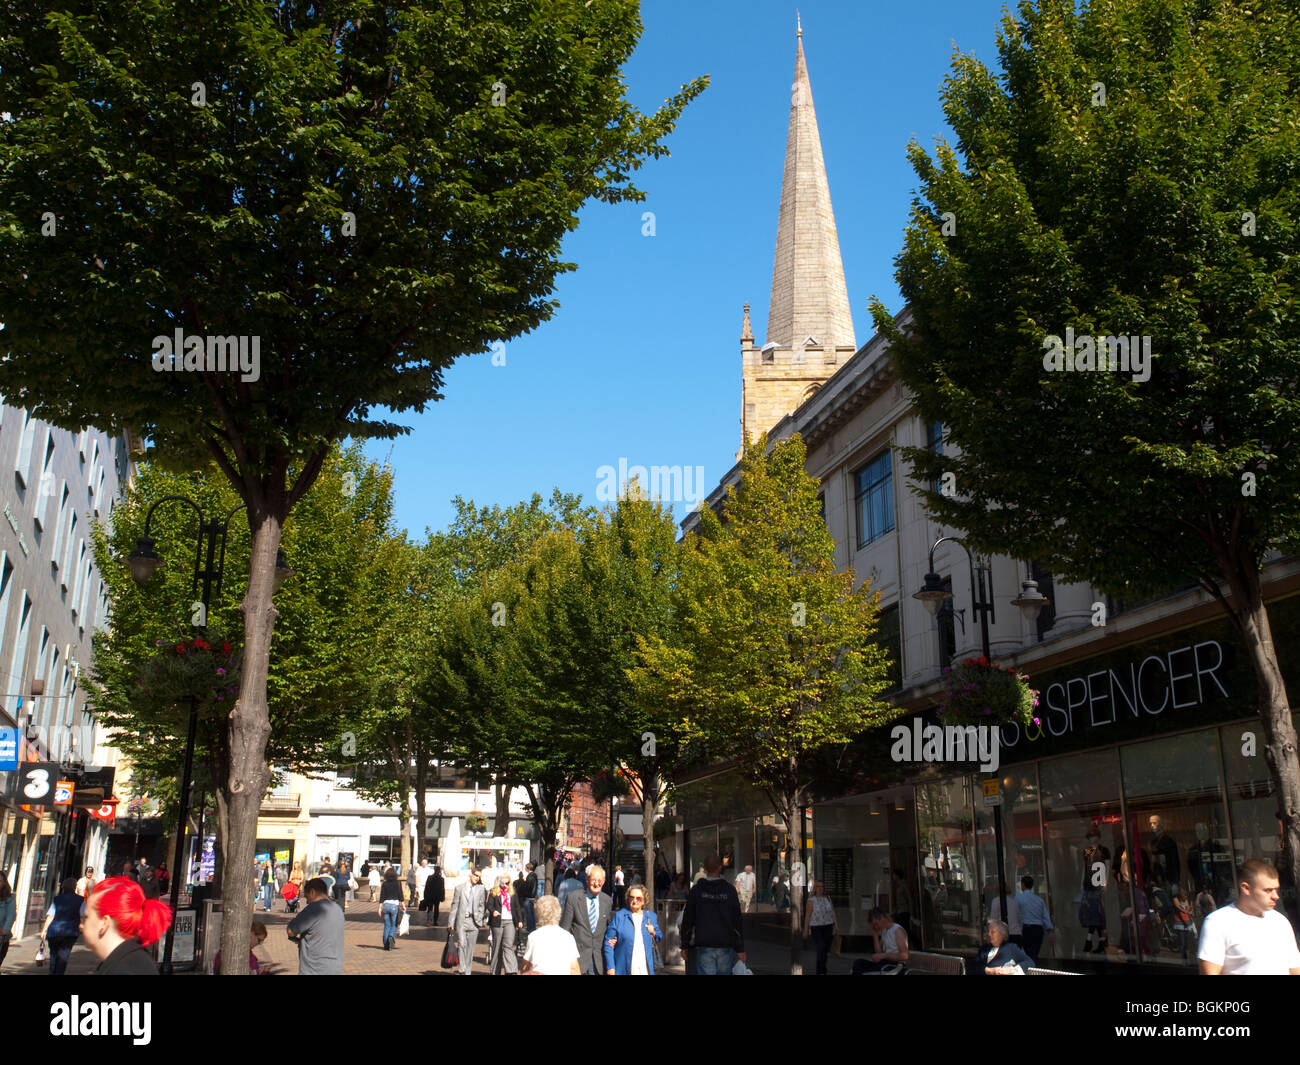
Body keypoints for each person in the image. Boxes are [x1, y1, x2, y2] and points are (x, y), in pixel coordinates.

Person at [1198, 858, 1300, 975]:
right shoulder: (1218, 922)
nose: (1276, 896)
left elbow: (1295, 969)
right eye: (1268, 890)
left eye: (1276, 889)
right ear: (1246, 888)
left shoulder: (1280, 922)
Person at [82, 876, 171, 974]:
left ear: (104, 923)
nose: (81, 925)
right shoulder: (127, 960)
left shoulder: (125, 969)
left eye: (86, 917)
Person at [680, 854, 745, 975]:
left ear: (704, 868)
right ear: (720, 867)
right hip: (725, 944)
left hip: (705, 943)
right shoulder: (730, 890)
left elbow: (688, 919)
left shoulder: (697, 890)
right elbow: (737, 921)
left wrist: (684, 944)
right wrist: (740, 948)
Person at [560, 863, 613, 975]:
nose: (597, 883)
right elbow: (565, 930)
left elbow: (609, 928)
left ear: (604, 881)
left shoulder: (607, 901)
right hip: (578, 959)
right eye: (593, 879)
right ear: (587, 880)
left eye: (600, 880)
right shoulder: (573, 898)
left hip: (599, 960)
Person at [287, 878, 345, 974]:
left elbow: (291, 931)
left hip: (313, 969)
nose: (307, 902)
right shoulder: (337, 909)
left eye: (307, 897)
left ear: (312, 892)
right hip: (334, 968)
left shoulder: (314, 909)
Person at [605, 883, 662, 975]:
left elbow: (659, 936)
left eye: (638, 898)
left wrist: (653, 932)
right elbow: (608, 942)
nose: (635, 901)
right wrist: (610, 967)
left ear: (644, 901)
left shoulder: (651, 917)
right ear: (628, 899)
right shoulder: (620, 915)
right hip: (624, 967)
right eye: (632, 897)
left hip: (644, 967)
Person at [521, 895, 581, 974]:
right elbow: (575, 969)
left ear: (538, 913)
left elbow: (525, 967)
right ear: (559, 912)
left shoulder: (534, 936)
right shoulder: (568, 937)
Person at [39, 877, 85, 976]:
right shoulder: (80, 900)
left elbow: (51, 916)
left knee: (53, 956)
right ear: (75, 887)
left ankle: (52, 972)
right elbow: (83, 915)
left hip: (54, 931)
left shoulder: (57, 899)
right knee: (63, 957)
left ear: (63, 887)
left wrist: (44, 930)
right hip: (70, 932)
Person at [448, 866, 487, 975]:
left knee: (471, 948)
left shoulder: (481, 889)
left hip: (474, 921)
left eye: (479, 876)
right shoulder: (460, 888)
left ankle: (467, 971)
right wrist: (451, 922)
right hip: (462, 920)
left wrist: (479, 918)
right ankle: (462, 968)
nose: (477, 878)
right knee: (462, 943)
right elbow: (454, 906)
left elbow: (482, 905)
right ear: (471, 874)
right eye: (476, 875)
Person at [852, 907, 911, 974]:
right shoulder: (885, 930)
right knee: (858, 963)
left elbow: (905, 955)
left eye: (876, 924)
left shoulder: (897, 930)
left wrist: (884, 955)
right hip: (885, 963)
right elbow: (879, 952)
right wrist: (875, 935)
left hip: (895, 965)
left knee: (862, 971)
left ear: (882, 918)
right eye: (874, 925)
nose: (876, 927)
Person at [487, 873, 525, 974]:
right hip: (498, 921)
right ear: (499, 882)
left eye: (507, 883)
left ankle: (511, 970)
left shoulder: (512, 892)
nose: (505, 885)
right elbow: (489, 905)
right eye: (503, 883)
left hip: (510, 921)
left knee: (508, 945)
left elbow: (517, 907)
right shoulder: (494, 892)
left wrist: (520, 920)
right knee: (497, 947)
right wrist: (493, 911)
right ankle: (495, 971)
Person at [1014, 875, 1054, 963]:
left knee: (1029, 953)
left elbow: (1015, 914)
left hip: (1026, 929)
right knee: (1034, 953)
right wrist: (1050, 930)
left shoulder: (1018, 898)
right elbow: (1045, 916)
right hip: (1038, 929)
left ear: (1023, 885)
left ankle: (1031, 970)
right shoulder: (1039, 900)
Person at [803, 880, 838, 975]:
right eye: (818, 886)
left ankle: (823, 969)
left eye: (822, 886)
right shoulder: (811, 901)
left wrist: (836, 926)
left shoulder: (828, 898)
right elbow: (807, 916)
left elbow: (832, 912)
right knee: (821, 947)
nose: (820, 888)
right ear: (815, 888)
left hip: (828, 926)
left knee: (825, 950)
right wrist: (805, 930)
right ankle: (820, 971)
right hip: (816, 927)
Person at [986, 880, 1023, 946]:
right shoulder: (1013, 902)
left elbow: (993, 919)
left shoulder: (996, 901)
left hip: (1003, 934)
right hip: (1016, 933)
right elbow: (1019, 919)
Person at [377, 867, 406, 950]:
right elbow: (400, 894)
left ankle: (386, 945)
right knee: (394, 924)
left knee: (387, 925)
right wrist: (403, 905)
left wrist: (379, 908)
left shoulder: (385, 883)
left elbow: (382, 896)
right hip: (394, 905)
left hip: (385, 906)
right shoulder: (398, 883)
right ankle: (391, 936)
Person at [0, 872, 14, 969]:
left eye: (0, 881)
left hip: (1, 936)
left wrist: (5, 929)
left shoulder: (9, 898)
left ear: (4, 883)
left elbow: (11, 914)